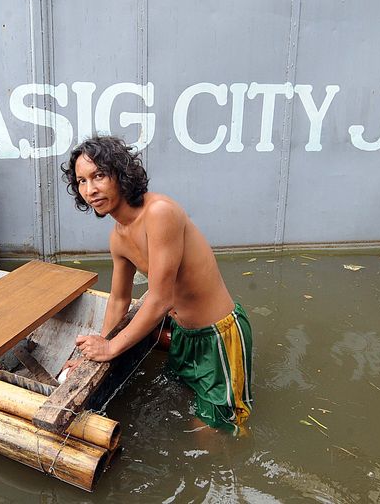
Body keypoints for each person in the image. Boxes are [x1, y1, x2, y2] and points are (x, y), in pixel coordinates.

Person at [61, 135, 253, 429]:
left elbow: (160, 299)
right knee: (181, 403)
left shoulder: (159, 213)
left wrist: (110, 349)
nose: (91, 190)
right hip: (183, 335)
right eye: (82, 181)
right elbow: (118, 300)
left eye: (99, 175)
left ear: (120, 173)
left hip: (218, 338)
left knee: (214, 430)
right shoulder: (118, 237)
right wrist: (95, 353)